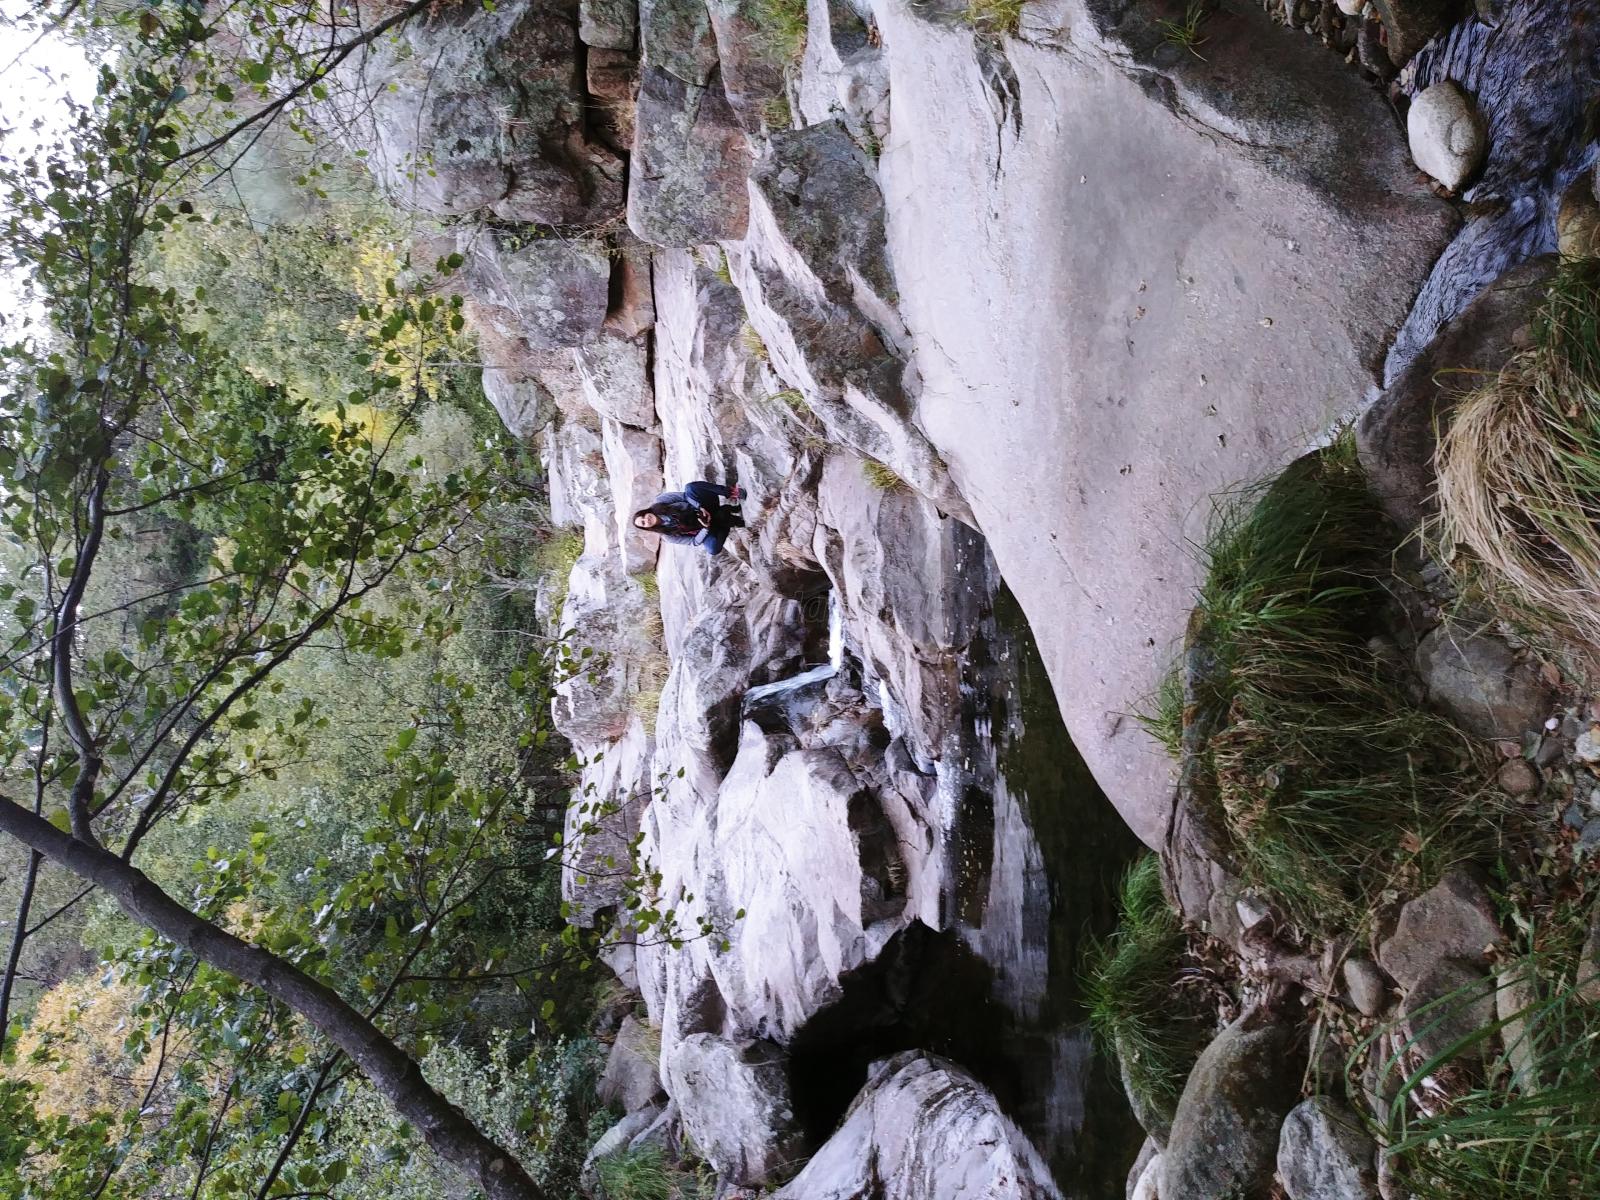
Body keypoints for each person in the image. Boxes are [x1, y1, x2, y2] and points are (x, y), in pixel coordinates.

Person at [632, 481, 745, 555]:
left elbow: (686, 496)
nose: (646, 519)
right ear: (647, 528)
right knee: (712, 549)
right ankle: (725, 524)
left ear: (645, 512)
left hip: (704, 505)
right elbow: (693, 542)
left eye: (643, 516)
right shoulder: (668, 536)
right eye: (643, 523)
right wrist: (705, 528)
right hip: (705, 526)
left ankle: (731, 492)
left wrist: (699, 507)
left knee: (691, 487)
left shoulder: (660, 501)